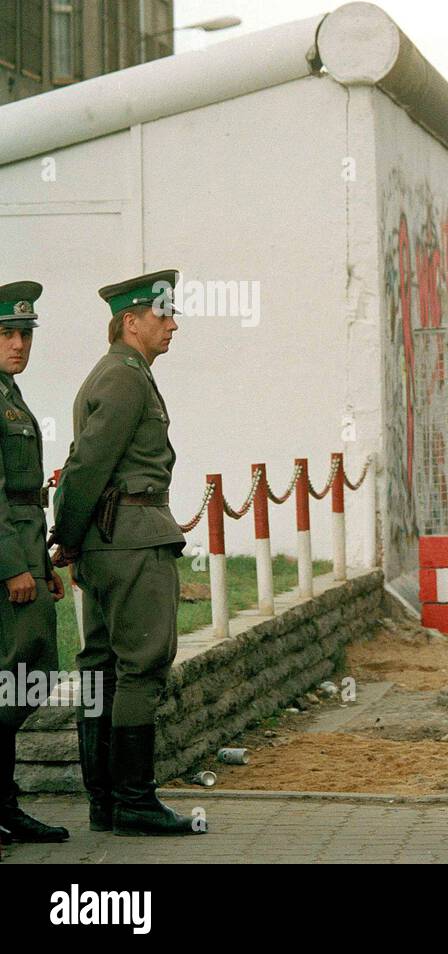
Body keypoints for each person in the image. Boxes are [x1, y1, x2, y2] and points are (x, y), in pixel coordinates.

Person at [49, 269, 198, 837]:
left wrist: (73, 536)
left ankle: (107, 803)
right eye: (162, 315)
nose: (173, 324)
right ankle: (132, 801)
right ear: (130, 322)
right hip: (131, 539)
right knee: (141, 666)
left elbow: (86, 463)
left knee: (103, 669)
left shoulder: (120, 373)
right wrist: (65, 533)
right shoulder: (125, 377)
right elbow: (88, 464)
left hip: (114, 538)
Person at [0, 282, 69, 847]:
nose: (20, 344)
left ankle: (6, 806)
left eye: (25, 334)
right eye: (7, 333)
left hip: (24, 555)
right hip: (5, 567)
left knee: (24, 677)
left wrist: (40, 565)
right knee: (20, 675)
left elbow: (25, 499)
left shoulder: (12, 395)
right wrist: (12, 568)